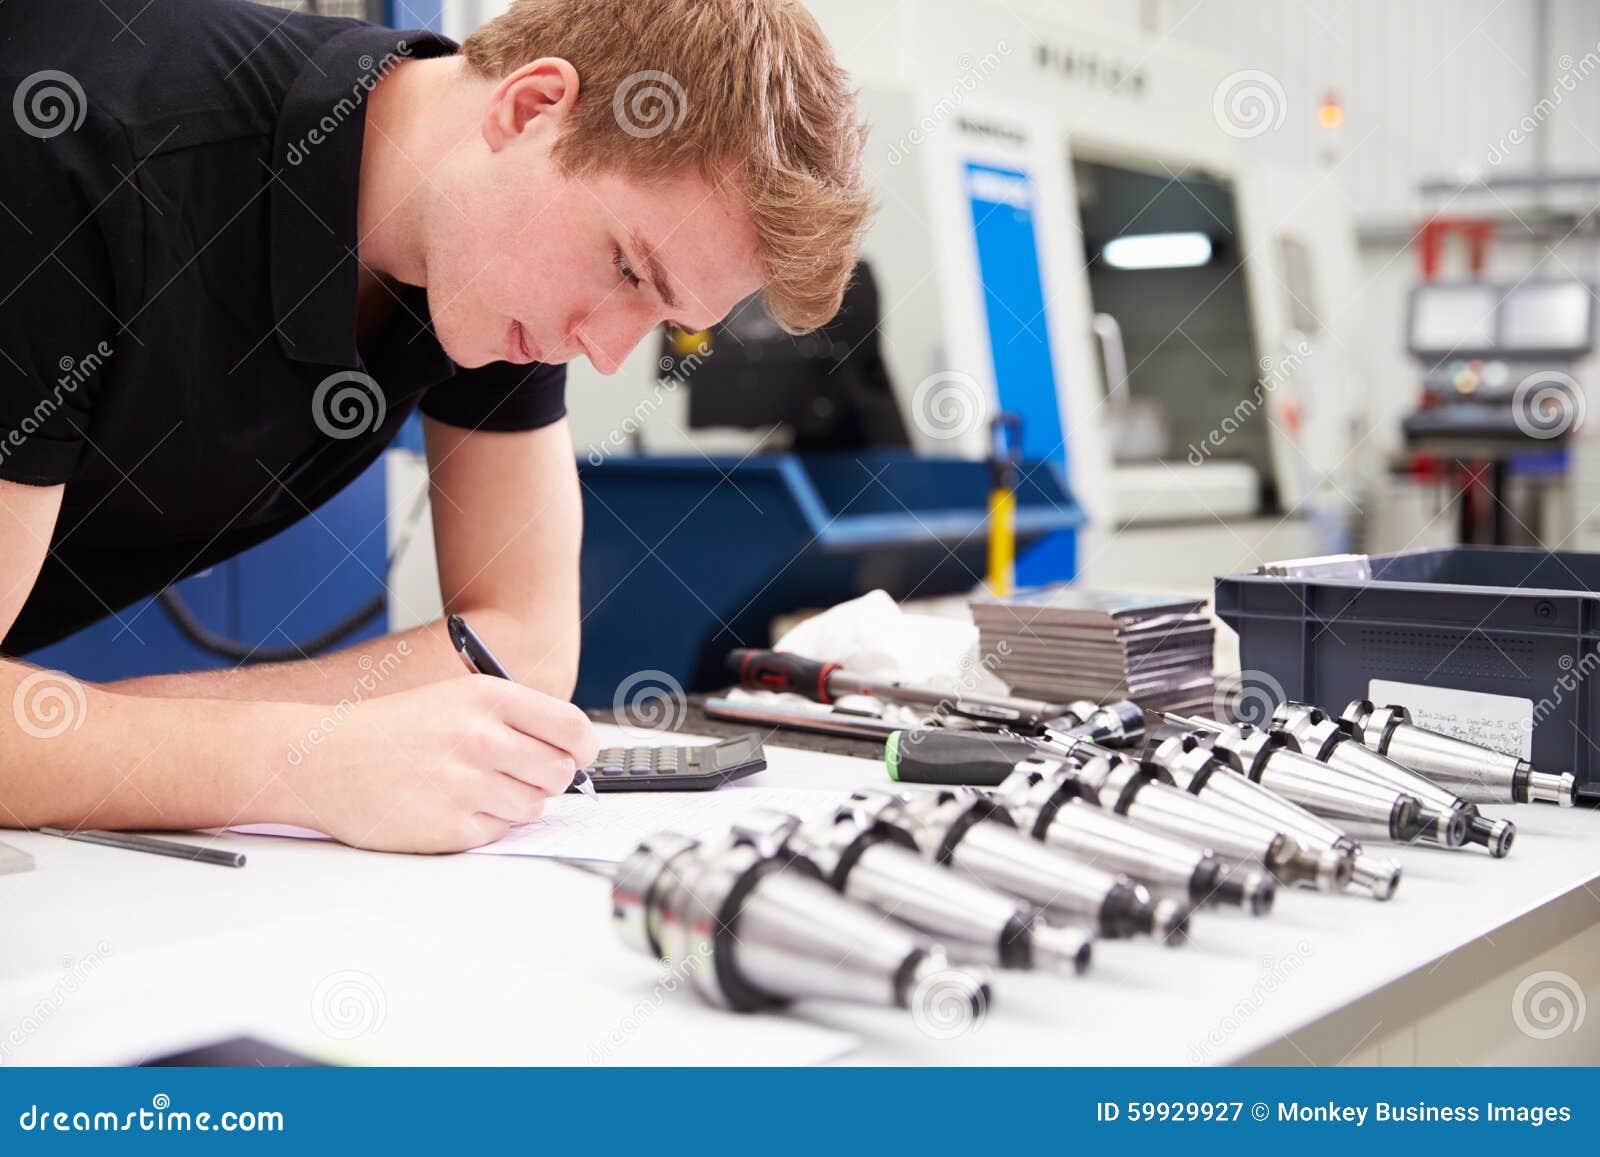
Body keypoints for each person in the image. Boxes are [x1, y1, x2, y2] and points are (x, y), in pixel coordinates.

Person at [0, 0, 871, 851]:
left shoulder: (487, 249)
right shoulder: (78, 153)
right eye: (627, 269)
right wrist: (297, 759)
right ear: (530, 108)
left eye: (663, 318)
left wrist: (102, 744)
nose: (606, 353)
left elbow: (523, 649)